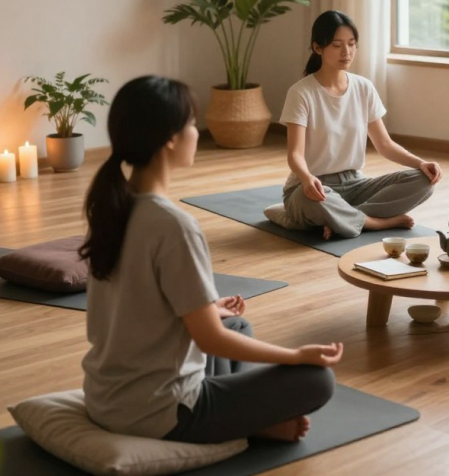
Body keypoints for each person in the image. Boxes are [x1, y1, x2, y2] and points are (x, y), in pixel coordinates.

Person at [79, 76, 342, 444]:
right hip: (159, 413)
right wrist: (296, 355)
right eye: (190, 123)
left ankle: (247, 419)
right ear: (170, 138)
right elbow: (211, 341)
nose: (195, 132)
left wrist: (207, 306)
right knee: (316, 379)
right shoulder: (174, 225)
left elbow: (130, 304)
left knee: (236, 326)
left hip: (104, 398)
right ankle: (249, 424)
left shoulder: (112, 209)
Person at [275, 10, 441, 240]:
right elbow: (295, 155)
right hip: (314, 188)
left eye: (352, 44)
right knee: (309, 200)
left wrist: (421, 163)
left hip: (355, 185)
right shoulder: (301, 93)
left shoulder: (364, 87)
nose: (347, 52)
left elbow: (384, 144)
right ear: (318, 47)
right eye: (337, 45)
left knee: (423, 181)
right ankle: (375, 223)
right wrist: (306, 178)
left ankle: (342, 220)